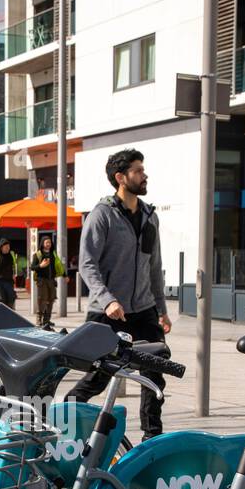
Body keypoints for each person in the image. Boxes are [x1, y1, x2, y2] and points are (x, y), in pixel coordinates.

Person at [67, 148, 171, 440]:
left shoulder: (150, 217)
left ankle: (153, 439)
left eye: (142, 169)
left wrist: (161, 310)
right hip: (108, 311)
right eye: (138, 170)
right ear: (120, 178)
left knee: (155, 373)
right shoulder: (102, 215)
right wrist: (108, 298)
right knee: (100, 375)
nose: (144, 174)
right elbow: (87, 264)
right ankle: (68, 416)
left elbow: (154, 266)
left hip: (144, 309)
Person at [29, 234, 66, 328]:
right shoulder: (37, 255)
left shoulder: (53, 254)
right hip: (42, 280)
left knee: (51, 299)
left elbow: (58, 266)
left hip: (51, 280)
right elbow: (32, 267)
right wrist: (40, 266)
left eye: (49, 242)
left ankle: (47, 320)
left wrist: (64, 275)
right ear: (42, 243)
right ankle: (39, 320)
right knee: (42, 300)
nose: (48, 244)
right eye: (47, 242)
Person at [0, 238, 22, 308]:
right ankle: (1, 314)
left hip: (8, 281)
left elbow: (13, 266)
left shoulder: (11, 254)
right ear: (1, 247)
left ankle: (9, 313)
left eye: (8, 247)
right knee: (0, 299)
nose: (7, 248)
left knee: (11, 297)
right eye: (6, 247)